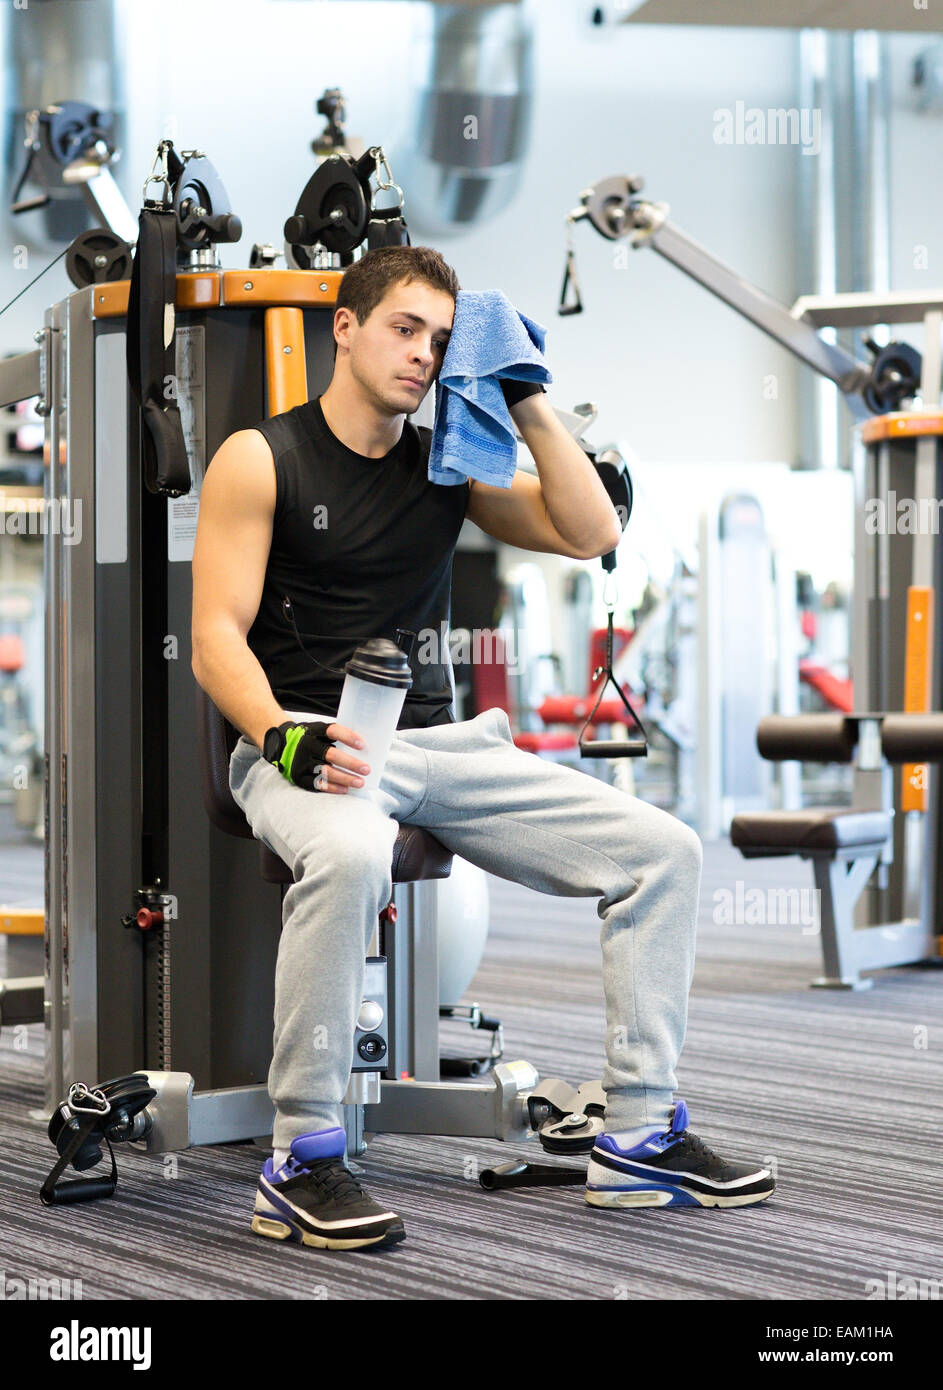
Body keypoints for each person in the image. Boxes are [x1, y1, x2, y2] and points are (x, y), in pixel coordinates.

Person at [190, 244, 774, 1253]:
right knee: (350, 852)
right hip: (314, 741)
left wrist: (527, 392)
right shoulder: (262, 456)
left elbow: (588, 530)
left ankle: (637, 1132)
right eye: (405, 329)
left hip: (444, 744)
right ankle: (303, 1154)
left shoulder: (447, 465)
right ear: (346, 325)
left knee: (663, 852)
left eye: (443, 341)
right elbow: (213, 638)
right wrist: (281, 736)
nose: (423, 355)